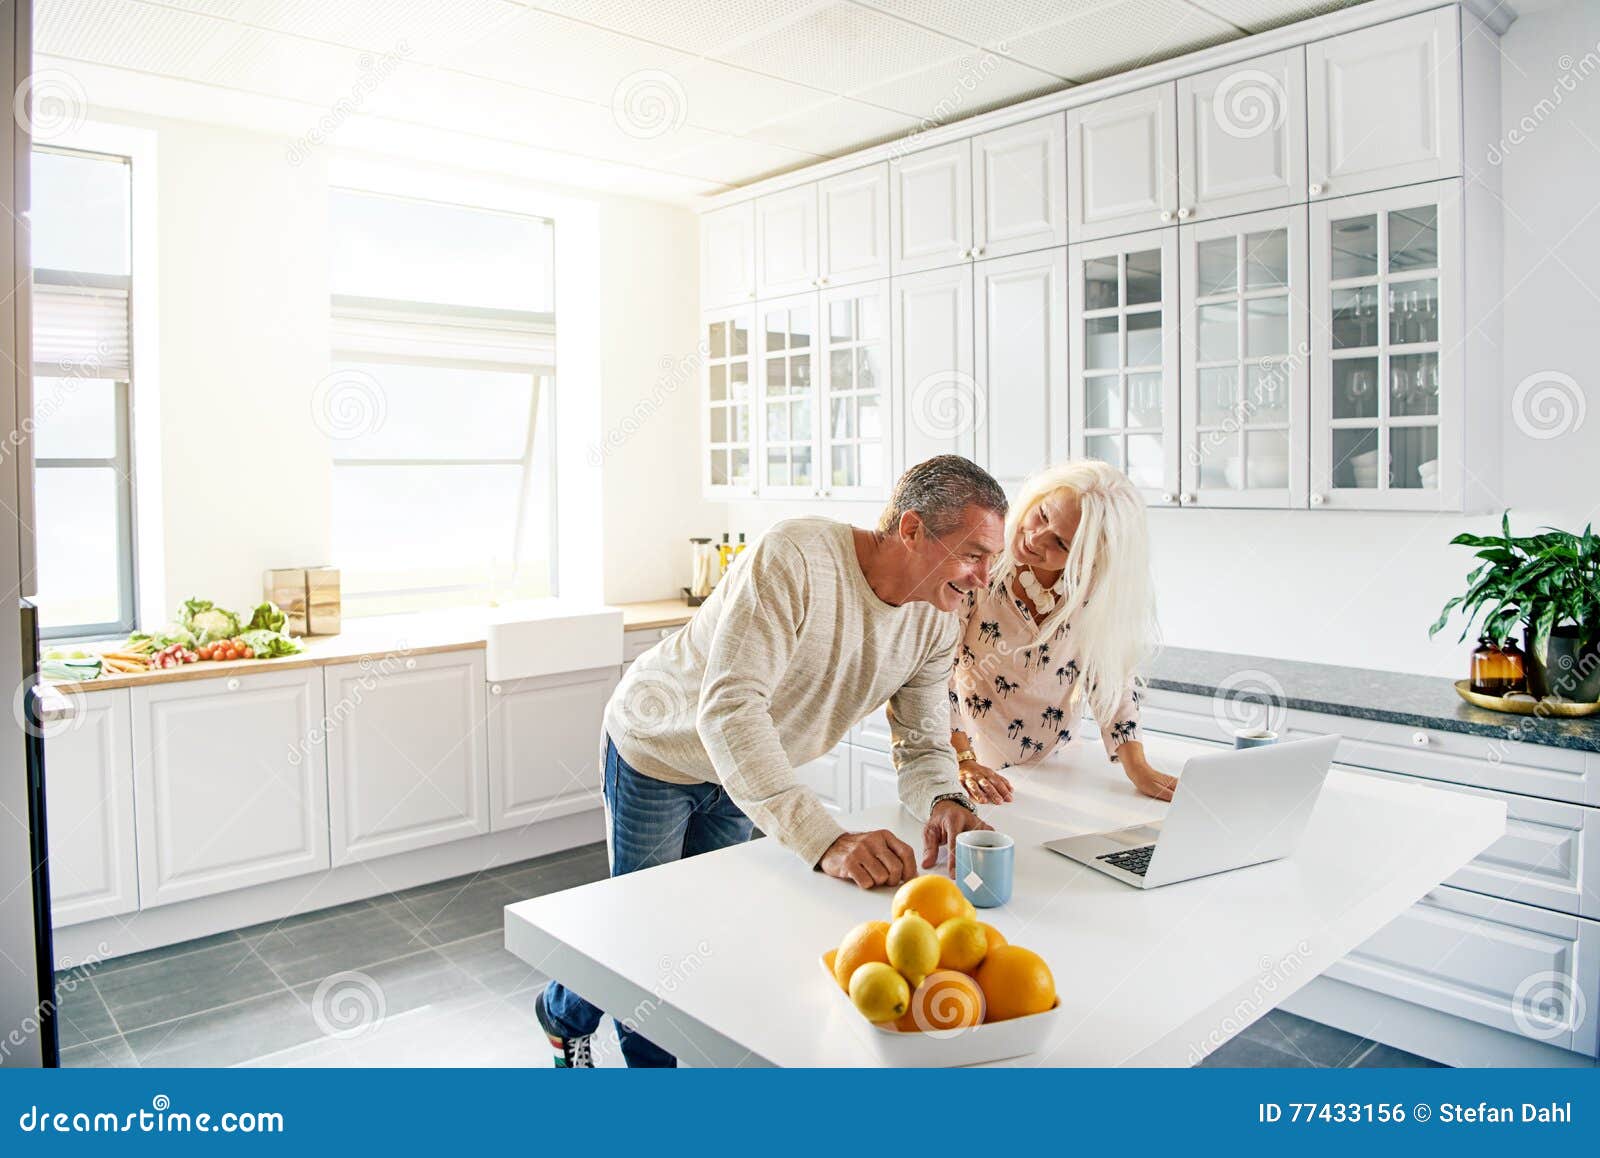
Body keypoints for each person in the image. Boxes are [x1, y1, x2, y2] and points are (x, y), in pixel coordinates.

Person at [534, 454, 1005, 1068]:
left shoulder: (936, 621)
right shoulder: (797, 558)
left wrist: (945, 799)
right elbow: (730, 709)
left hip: (743, 771)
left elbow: (920, 743)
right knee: (650, 930)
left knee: (696, 929)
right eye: (973, 554)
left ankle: (560, 1007)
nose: (984, 577)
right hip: (659, 748)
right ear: (912, 530)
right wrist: (824, 839)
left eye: (991, 558)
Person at [945, 459, 1176, 806]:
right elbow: (936, 669)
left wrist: (1138, 768)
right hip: (970, 760)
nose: (1036, 537)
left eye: (1061, 544)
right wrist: (964, 760)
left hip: (1056, 766)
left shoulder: (1094, 589)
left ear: (1087, 560)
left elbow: (1109, 677)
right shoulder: (980, 563)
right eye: (1042, 515)